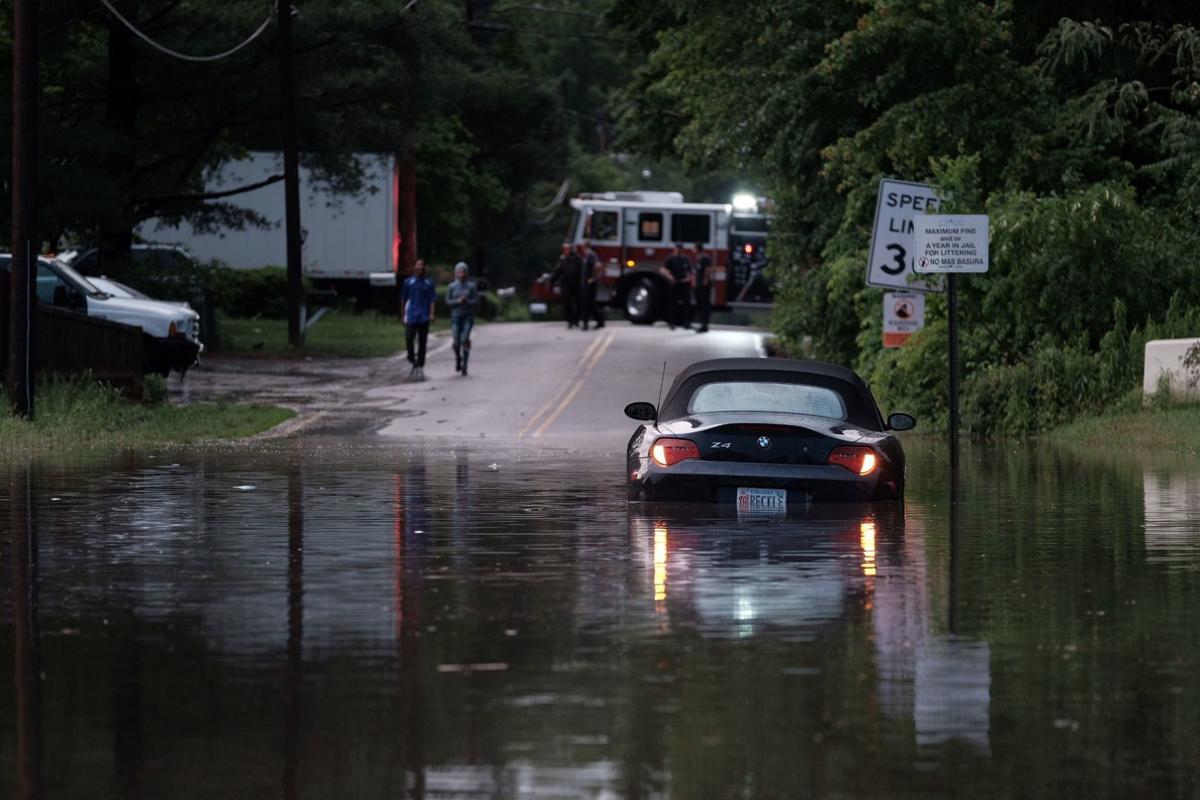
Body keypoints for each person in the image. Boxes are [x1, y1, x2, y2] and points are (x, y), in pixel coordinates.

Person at [401, 258, 436, 379]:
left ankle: (420, 364)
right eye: (418, 265)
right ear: (414, 267)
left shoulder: (428, 282)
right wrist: (402, 315)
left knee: (422, 342)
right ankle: (411, 358)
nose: (420, 267)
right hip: (411, 315)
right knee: (409, 337)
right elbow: (404, 299)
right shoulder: (408, 282)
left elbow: (432, 300)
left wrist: (432, 314)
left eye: (422, 265)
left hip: (424, 317)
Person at [446, 261, 478, 375]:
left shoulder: (471, 286)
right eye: (460, 272)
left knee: (465, 339)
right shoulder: (452, 286)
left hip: (467, 317)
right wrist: (457, 301)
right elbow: (448, 301)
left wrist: (467, 301)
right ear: (456, 273)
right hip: (456, 316)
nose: (462, 274)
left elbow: (476, 301)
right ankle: (458, 358)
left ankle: (465, 364)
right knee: (456, 341)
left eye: (464, 272)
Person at [659, 243, 693, 330]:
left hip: (684, 283)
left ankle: (687, 323)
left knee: (687, 304)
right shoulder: (670, 258)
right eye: (677, 248)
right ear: (674, 249)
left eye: (680, 248)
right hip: (674, 283)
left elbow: (690, 270)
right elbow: (662, 269)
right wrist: (670, 277)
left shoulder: (686, 259)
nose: (678, 250)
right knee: (673, 304)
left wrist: (689, 278)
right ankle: (672, 323)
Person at [549, 243, 582, 328]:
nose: (565, 251)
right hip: (566, 284)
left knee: (578, 303)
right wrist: (552, 281)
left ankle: (576, 320)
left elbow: (582, 271)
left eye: (566, 249)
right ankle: (570, 321)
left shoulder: (578, 258)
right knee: (567, 303)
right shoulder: (564, 259)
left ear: (571, 249)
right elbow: (558, 271)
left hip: (577, 284)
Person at [578, 241, 606, 331]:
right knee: (590, 304)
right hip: (585, 283)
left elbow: (598, 266)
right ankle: (600, 321)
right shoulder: (586, 256)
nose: (581, 247)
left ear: (586, 246)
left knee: (586, 304)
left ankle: (585, 324)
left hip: (590, 284)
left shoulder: (591, 255)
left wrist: (593, 278)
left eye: (583, 246)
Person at [693, 243, 712, 333]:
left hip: (704, 284)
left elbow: (707, 269)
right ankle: (701, 323)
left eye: (694, 248)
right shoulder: (697, 258)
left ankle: (705, 324)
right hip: (698, 284)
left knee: (704, 304)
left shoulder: (705, 257)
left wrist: (705, 279)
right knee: (699, 304)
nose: (693, 249)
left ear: (697, 249)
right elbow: (696, 271)